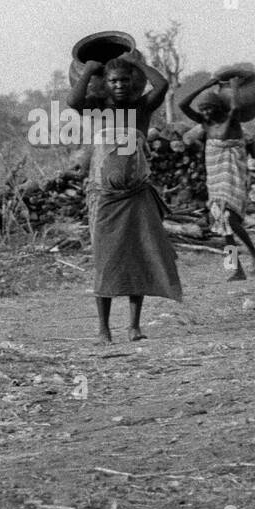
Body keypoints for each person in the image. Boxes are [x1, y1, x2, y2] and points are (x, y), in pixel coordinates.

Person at [68, 51, 182, 343]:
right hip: (103, 196)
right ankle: (104, 329)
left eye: (124, 80)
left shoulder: (141, 108)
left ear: (133, 82)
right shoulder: (97, 109)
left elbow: (162, 86)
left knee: (138, 256)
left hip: (137, 194)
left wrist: (137, 63)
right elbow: (72, 101)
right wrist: (90, 69)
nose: (119, 85)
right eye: (113, 80)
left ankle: (133, 326)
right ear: (104, 83)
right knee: (105, 260)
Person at [179, 65, 255, 281]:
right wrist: (206, 85)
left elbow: (235, 107)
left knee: (229, 218)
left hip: (233, 173)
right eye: (203, 109)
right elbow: (182, 104)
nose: (206, 112)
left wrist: (234, 86)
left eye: (210, 108)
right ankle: (235, 269)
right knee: (223, 223)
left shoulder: (231, 121)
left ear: (218, 107)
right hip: (215, 176)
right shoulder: (205, 124)